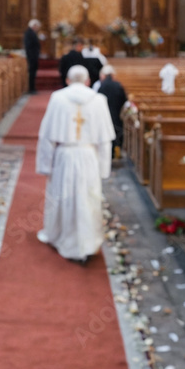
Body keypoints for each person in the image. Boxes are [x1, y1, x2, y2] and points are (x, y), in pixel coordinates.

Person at [36, 65, 115, 263]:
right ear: (88, 81)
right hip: (89, 156)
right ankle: (87, 241)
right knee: (88, 198)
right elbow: (105, 139)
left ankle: (61, 235)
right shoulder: (98, 100)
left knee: (63, 197)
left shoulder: (58, 98)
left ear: (68, 80)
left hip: (64, 155)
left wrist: (46, 166)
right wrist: (104, 169)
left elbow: (46, 136)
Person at [92, 65, 128, 157]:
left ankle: (108, 153)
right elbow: (124, 100)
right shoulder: (118, 85)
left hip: (104, 114)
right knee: (116, 132)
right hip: (116, 114)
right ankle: (117, 150)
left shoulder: (101, 86)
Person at [23, 19, 42, 93]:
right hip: (31, 56)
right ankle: (31, 88)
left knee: (33, 72)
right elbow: (29, 46)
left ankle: (32, 88)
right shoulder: (29, 33)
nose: (38, 28)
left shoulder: (32, 33)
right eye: (37, 26)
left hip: (33, 55)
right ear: (34, 26)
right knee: (31, 72)